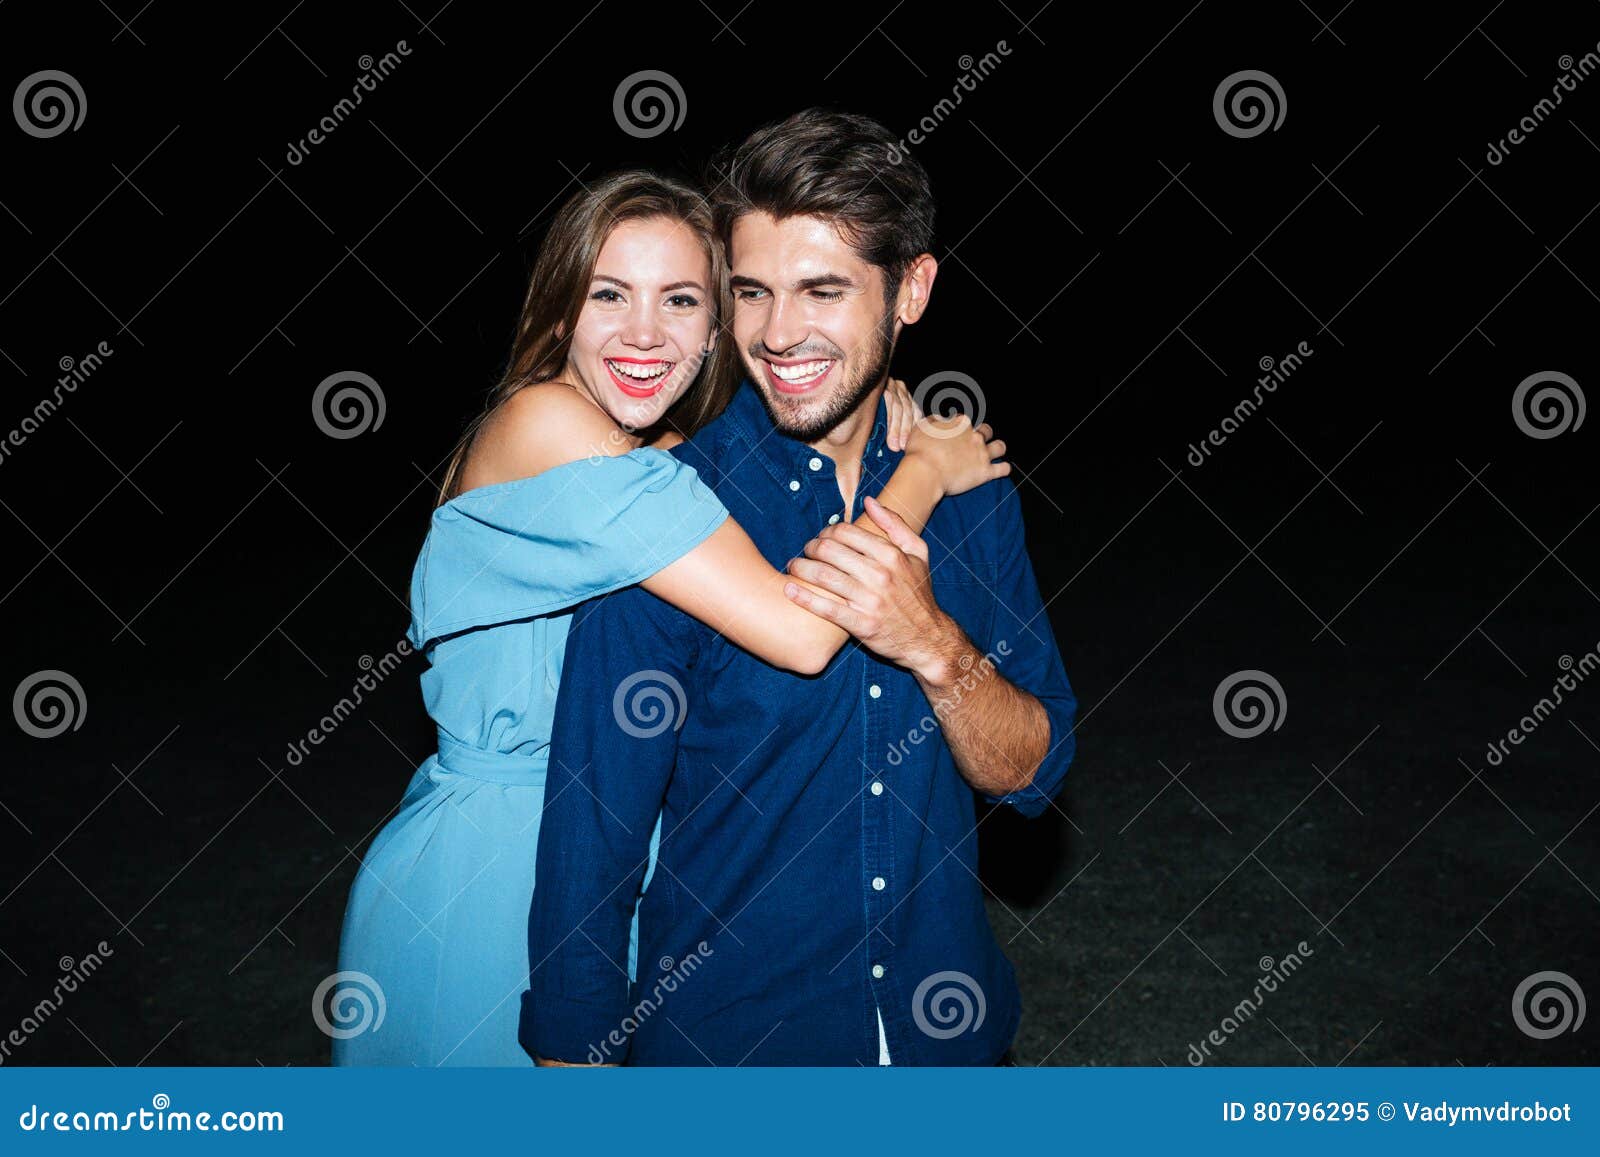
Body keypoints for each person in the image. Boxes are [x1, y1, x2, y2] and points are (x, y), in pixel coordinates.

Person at [332, 168, 1006, 1066]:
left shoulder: (652, 458)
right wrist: (924, 468)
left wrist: (872, 397)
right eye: (609, 293)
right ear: (563, 311)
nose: (645, 332)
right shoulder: (547, 426)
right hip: (494, 874)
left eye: (681, 299)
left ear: (717, 325)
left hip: (622, 872)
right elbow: (805, 634)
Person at [524, 110, 1076, 1066]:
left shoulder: (968, 488)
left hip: (944, 1034)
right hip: (732, 1048)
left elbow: (1032, 772)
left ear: (913, 290)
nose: (779, 334)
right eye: (751, 292)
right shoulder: (675, 515)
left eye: (822, 291)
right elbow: (592, 835)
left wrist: (933, 646)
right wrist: (570, 1060)